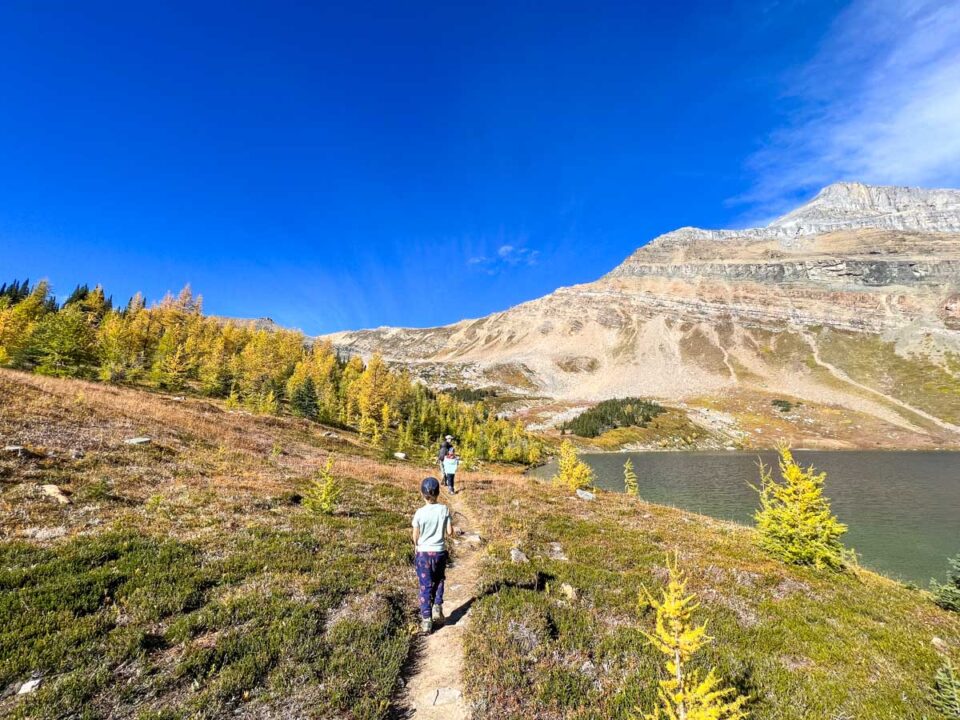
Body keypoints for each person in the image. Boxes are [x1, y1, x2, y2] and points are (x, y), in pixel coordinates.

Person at [411, 476, 454, 633]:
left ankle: (426, 620)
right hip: (440, 553)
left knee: (425, 585)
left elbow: (415, 535)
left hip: (423, 554)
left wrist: (417, 545)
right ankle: (437, 606)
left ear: (422, 494)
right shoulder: (444, 510)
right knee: (439, 579)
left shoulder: (419, 513)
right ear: (438, 493)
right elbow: (450, 532)